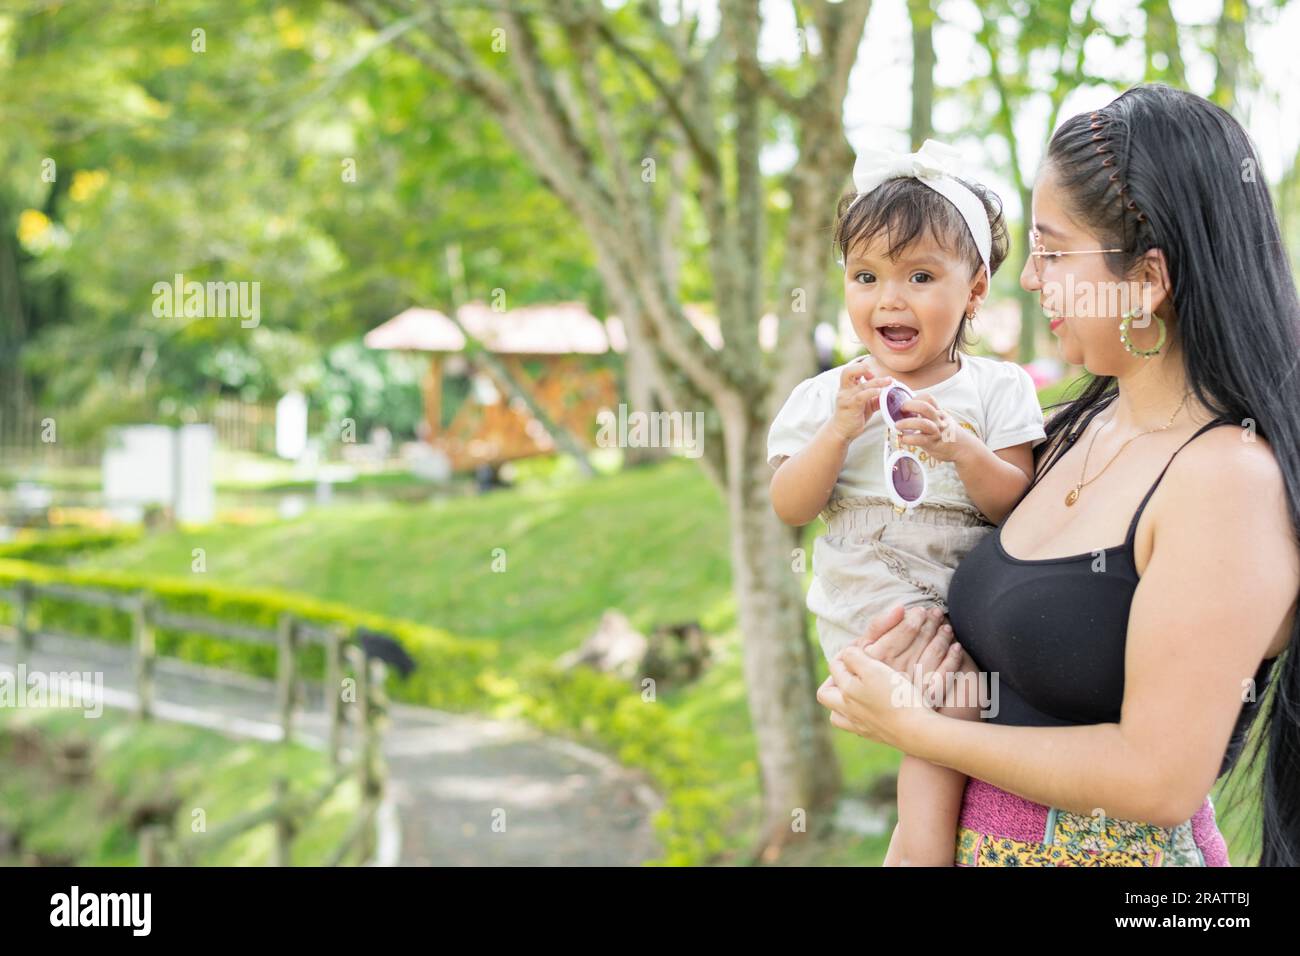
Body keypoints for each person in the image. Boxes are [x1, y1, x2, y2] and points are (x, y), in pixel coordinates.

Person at [817, 84, 1300, 867]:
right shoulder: (1075, 428)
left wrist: (918, 730)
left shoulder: (1227, 480)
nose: (1032, 280)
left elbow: (1158, 778)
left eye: (1052, 251)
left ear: (1146, 279)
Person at [768, 140, 1047, 865]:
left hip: (965, 590)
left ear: (976, 290)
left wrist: (962, 449)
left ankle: (925, 841)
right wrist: (836, 432)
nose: (888, 299)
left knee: (963, 696)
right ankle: (922, 846)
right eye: (866, 276)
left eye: (920, 275)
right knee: (946, 694)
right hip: (872, 594)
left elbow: (1016, 504)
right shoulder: (827, 395)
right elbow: (790, 504)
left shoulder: (997, 389)